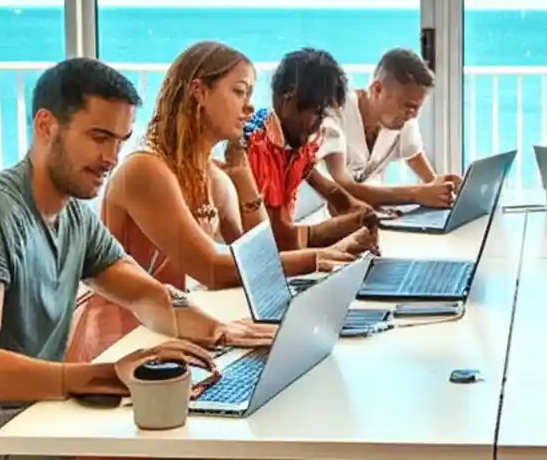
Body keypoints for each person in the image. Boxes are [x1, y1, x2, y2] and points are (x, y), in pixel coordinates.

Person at [0, 57, 273, 460]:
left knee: (184, 429)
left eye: (121, 140)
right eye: (99, 137)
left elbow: (147, 295)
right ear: (46, 126)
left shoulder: (73, 219)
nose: (111, 157)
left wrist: (219, 331)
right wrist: (100, 376)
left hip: (23, 417)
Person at [66, 42, 364, 363]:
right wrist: (317, 258)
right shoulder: (146, 170)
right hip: (124, 337)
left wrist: (241, 171)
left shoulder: (214, 175)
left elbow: (257, 258)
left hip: (176, 326)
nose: (250, 108)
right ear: (199, 92)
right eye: (239, 92)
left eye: (250, 96)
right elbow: (210, 269)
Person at [225, 48, 379, 252]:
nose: (320, 124)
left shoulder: (293, 139)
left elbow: (326, 186)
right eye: (317, 112)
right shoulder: (256, 145)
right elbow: (277, 239)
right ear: (290, 102)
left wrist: (357, 208)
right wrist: (340, 229)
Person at [318, 48, 462, 208]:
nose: (413, 115)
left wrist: (443, 189)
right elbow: (343, 188)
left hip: (374, 217)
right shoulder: (335, 115)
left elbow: (427, 176)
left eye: (417, 108)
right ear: (377, 89)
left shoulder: (402, 121)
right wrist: (416, 194)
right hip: (327, 219)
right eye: (408, 106)